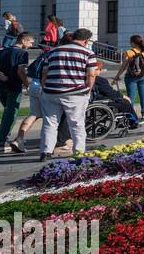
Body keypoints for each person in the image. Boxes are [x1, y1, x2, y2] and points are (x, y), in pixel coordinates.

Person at [38, 28, 100, 160]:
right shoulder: (88, 53)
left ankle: (45, 151)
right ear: (86, 40)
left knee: (50, 123)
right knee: (76, 123)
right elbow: (91, 74)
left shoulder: (53, 51)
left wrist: (45, 87)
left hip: (51, 92)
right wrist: (88, 90)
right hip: (75, 92)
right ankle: (78, 151)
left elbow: (44, 72)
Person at [0, 31, 35, 153]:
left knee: (7, 112)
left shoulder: (1, 52)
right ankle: (1, 142)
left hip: (0, 85)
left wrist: (0, 74)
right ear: (23, 40)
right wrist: (27, 84)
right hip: (13, 86)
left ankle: (3, 139)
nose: (31, 45)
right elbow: (21, 71)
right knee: (11, 114)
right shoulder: (22, 53)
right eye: (30, 42)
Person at [114, 34, 144, 124]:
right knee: (143, 95)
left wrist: (118, 75)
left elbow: (124, 66)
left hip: (131, 77)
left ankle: (130, 116)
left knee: (130, 97)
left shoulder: (129, 52)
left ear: (133, 43)